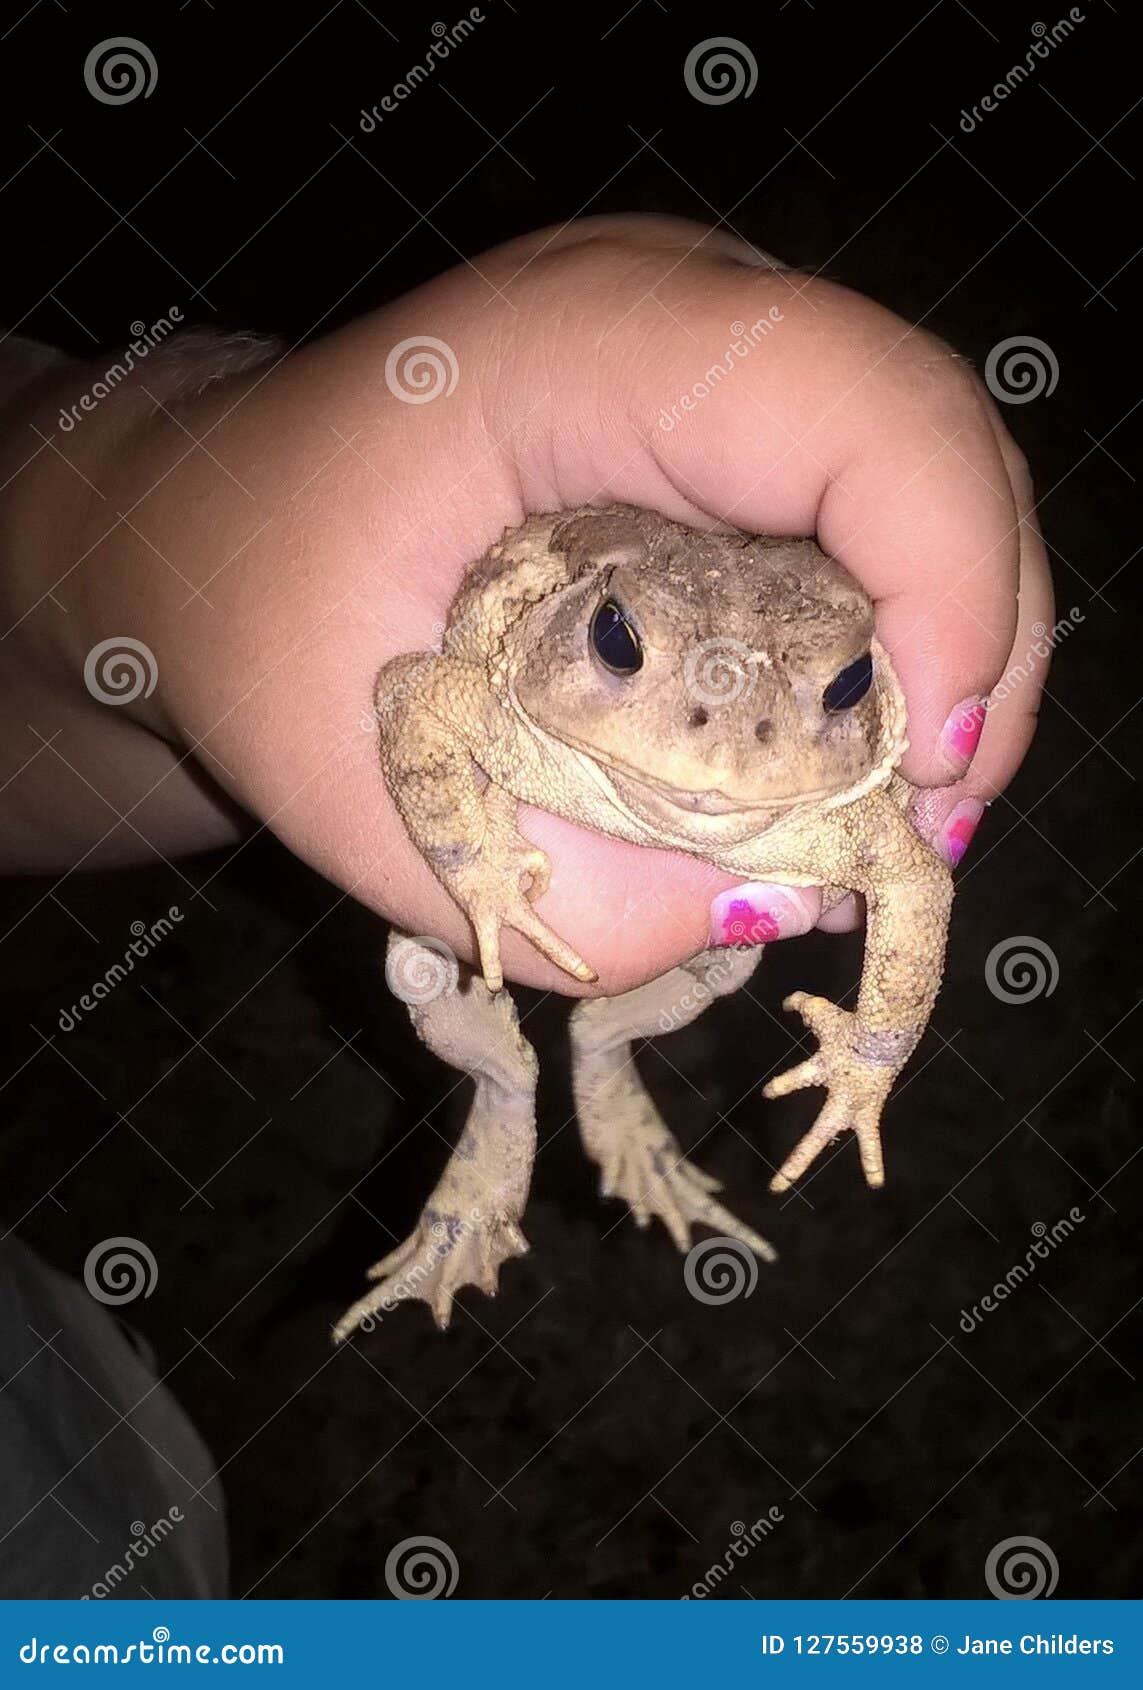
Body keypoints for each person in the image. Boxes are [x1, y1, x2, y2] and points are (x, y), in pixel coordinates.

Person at [0, 215, 1050, 1594]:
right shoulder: (543, 664)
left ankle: (597, 1082)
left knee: (645, 989)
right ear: (597, 633)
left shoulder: (832, 782)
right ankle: (517, 1116)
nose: (713, 728)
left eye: (844, 686)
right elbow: (420, 695)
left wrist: (871, 1053)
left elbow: (906, 883)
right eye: (630, 652)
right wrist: (479, 863)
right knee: (456, 991)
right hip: (551, 722)